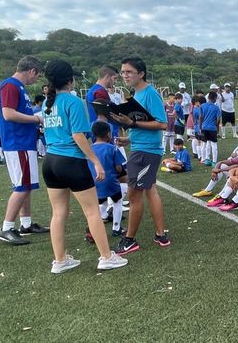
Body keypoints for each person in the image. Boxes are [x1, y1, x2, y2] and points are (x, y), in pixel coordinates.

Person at [40, 60, 127, 273]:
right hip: (71, 161)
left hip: (50, 162)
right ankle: (106, 256)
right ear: (69, 80)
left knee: (58, 213)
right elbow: (78, 135)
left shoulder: (46, 103)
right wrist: (95, 161)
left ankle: (60, 260)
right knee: (92, 212)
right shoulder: (73, 102)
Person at [110, 57, 170, 255]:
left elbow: (162, 124)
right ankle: (161, 234)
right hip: (140, 147)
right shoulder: (137, 93)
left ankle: (130, 240)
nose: (124, 75)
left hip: (146, 152)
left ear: (141, 73)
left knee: (134, 195)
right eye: (123, 71)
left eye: (129, 72)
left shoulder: (150, 93)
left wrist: (132, 124)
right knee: (150, 190)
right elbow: (144, 122)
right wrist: (129, 138)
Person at [0, 56, 49, 245]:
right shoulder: (10, 85)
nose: (37, 80)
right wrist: (37, 119)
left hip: (23, 143)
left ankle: (25, 224)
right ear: (32, 71)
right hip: (18, 143)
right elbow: (8, 114)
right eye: (37, 75)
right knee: (22, 185)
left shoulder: (18, 87)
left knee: (25, 185)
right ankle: (6, 227)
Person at [87, 121, 127, 238]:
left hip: (95, 182)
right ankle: (116, 227)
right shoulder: (112, 148)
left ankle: (94, 227)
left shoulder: (89, 149)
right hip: (110, 182)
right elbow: (119, 168)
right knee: (117, 202)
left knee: (101, 202)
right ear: (108, 134)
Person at [198, 91, 221, 166]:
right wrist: (217, 127)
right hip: (212, 128)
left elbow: (201, 117)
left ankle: (207, 159)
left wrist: (200, 126)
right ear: (215, 98)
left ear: (208, 98)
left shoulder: (202, 106)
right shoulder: (216, 108)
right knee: (214, 145)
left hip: (204, 127)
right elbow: (218, 119)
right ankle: (214, 161)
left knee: (206, 143)